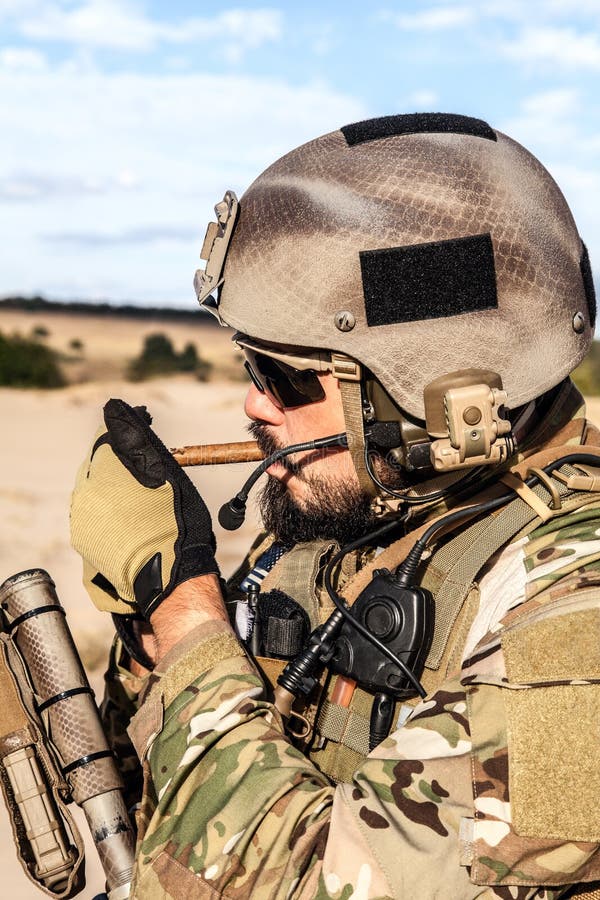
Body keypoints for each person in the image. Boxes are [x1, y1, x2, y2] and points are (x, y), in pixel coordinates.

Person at [70, 113, 600, 899]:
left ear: (428, 398)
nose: (252, 403)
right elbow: (148, 794)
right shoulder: (346, 523)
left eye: (283, 376)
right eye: (250, 363)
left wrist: (185, 615)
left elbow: (310, 884)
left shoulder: (574, 612)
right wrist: (146, 635)